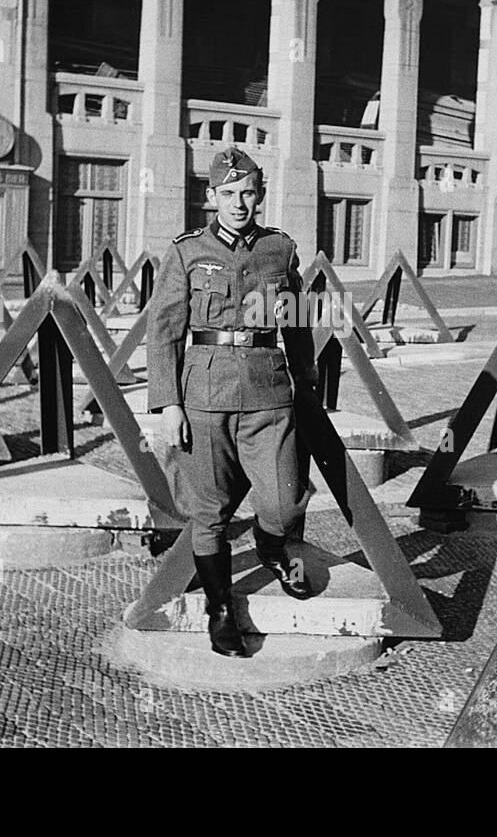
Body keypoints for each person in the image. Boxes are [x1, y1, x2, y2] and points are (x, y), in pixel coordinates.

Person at [145, 146, 319, 657]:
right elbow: (164, 332)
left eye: (247, 192)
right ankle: (220, 609)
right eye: (228, 194)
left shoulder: (280, 251)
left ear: (260, 194)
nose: (239, 203)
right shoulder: (185, 252)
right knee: (208, 511)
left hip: (268, 392)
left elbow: (298, 321)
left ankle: (270, 544)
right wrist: (168, 404)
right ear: (211, 197)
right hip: (203, 395)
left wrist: (306, 384)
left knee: (285, 502)